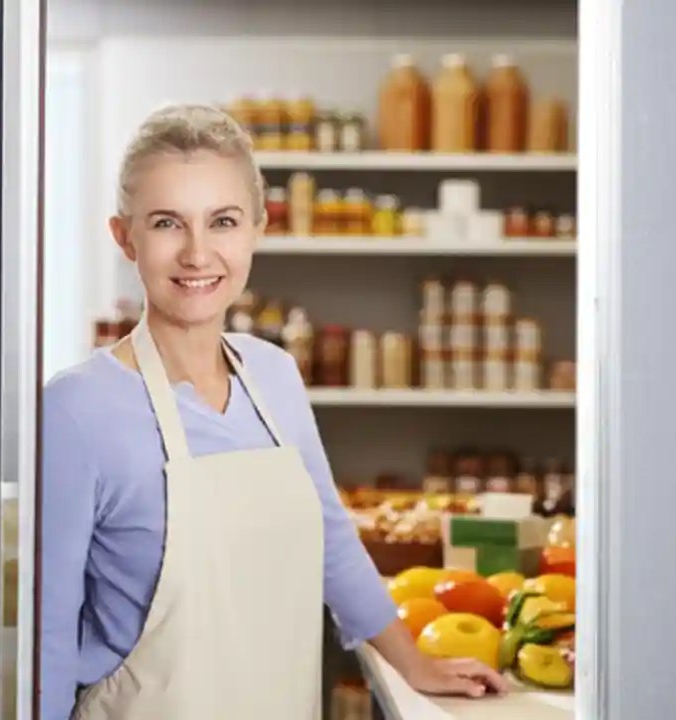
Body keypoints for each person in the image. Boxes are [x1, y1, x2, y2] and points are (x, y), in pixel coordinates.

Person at [40, 104, 508, 719]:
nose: (198, 253)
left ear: (258, 229)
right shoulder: (77, 409)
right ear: (125, 237)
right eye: (166, 223)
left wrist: (412, 662)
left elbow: (333, 542)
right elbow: (45, 635)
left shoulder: (274, 375)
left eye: (224, 221)